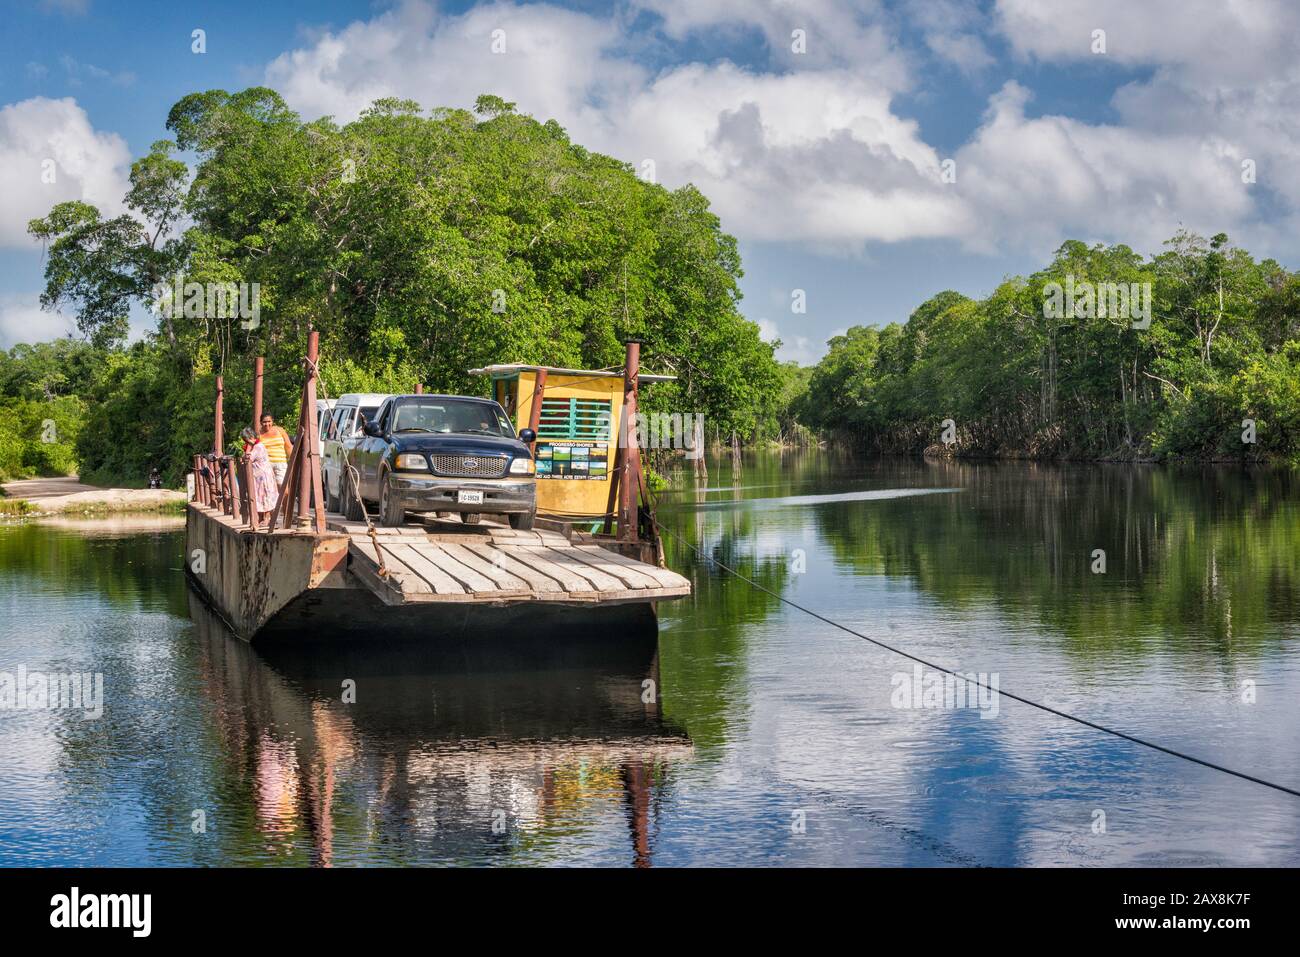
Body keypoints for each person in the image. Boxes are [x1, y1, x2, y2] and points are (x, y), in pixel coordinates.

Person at [241, 427, 279, 521]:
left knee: (265, 496)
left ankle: (267, 518)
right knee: (260, 496)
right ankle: (262, 517)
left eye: (249, 438)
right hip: (258, 476)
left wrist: (248, 448)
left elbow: (248, 458)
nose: (248, 441)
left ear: (253, 437)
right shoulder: (255, 446)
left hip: (263, 476)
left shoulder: (258, 446)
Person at [259, 413, 293, 488]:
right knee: (269, 489)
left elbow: (288, 446)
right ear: (261, 422)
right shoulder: (258, 434)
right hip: (266, 464)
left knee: (283, 489)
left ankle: (284, 500)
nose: (267, 424)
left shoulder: (280, 430)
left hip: (280, 463)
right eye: (264, 422)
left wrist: (292, 461)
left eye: (269, 421)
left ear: (272, 421)